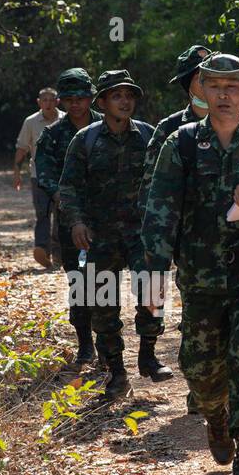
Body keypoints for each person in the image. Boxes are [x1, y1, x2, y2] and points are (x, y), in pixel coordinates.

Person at [142, 54, 239, 475]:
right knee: (200, 367)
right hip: (200, 275)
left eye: (233, 87)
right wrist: (153, 275)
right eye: (214, 87)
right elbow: (160, 210)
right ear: (201, 92)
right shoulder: (182, 144)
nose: (224, 95)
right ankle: (216, 416)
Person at [58, 70, 170, 399]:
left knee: (153, 291)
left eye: (130, 95)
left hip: (141, 233)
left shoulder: (150, 137)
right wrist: (77, 222)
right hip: (100, 236)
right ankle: (117, 372)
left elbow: (164, 184)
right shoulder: (86, 140)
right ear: (103, 102)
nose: (125, 101)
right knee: (102, 306)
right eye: (117, 95)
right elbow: (69, 188)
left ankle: (148, 354)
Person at [35, 69, 102, 366]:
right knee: (79, 281)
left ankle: (108, 345)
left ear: (90, 97)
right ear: (62, 101)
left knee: (104, 281)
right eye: (70, 99)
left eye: (82, 98)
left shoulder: (107, 125)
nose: (76, 104)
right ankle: (85, 344)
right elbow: (45, 175)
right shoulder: (53, 135)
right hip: (69, 220)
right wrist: (62, 196)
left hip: (105, 218)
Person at [14, 86, 60, 268]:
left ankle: (59, 254)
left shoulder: (66, 120)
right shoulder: (31, 122)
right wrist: (16, 171)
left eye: (52, 100)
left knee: (62, 215)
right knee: (42, 214)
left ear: (57, 101)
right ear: (39, 102)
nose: (48, 103)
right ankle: (42, 250)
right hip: (38, 175)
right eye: (45, 100)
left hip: (63, 175)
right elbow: (22, 147)